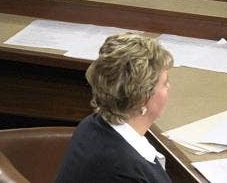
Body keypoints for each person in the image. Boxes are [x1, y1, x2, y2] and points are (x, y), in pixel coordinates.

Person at [54, 33, 174, 183]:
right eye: (165, 83)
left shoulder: (91, 124)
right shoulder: (128, 172)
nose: (169, 87)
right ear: (143, 98)